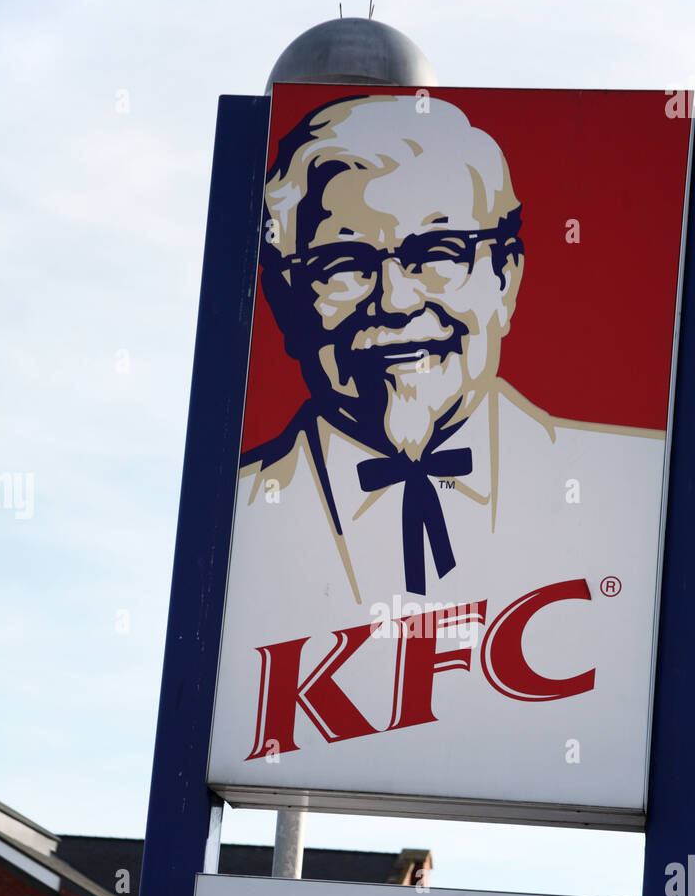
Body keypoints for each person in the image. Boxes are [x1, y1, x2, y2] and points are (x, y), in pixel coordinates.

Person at [239, 94, 665, 603]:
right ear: (285, 303)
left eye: (438, 253)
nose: (396, 301)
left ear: (505, 279)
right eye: (344, 263)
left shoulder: (636, 493)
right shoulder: (233, 518)